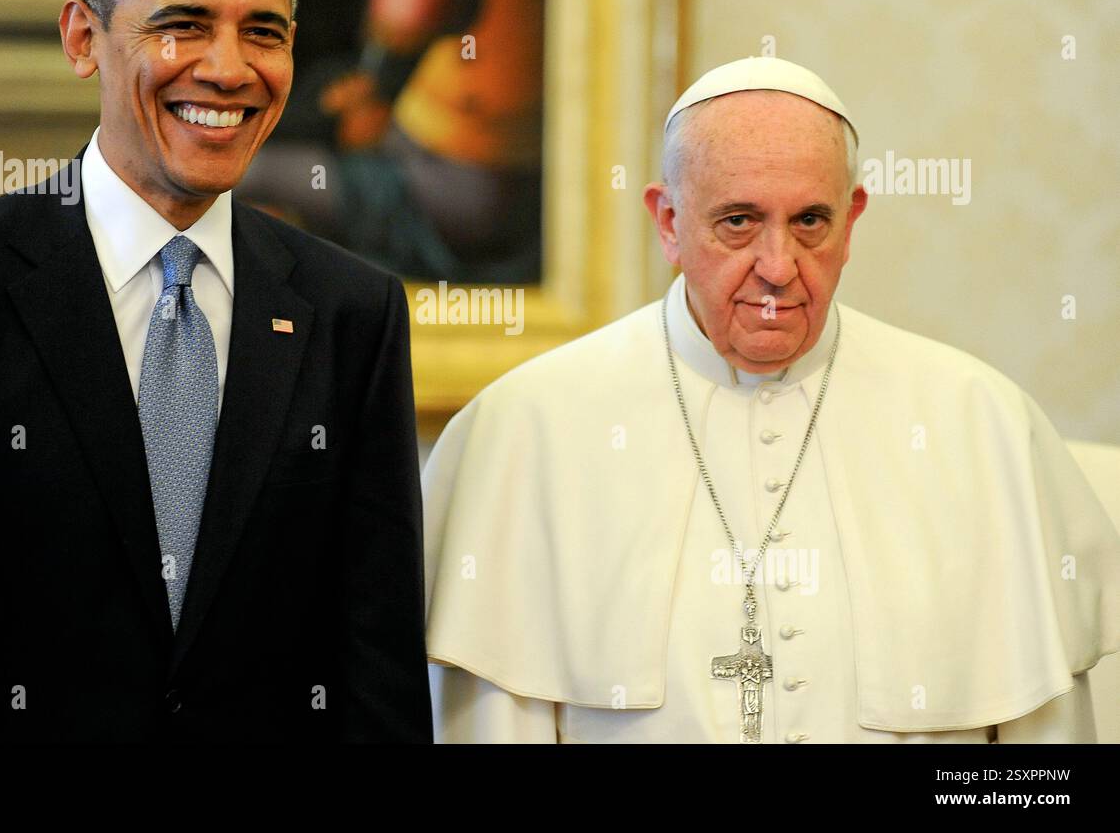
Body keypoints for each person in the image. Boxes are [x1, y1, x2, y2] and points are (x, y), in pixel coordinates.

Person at [0, 0, 431, 743]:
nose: (227, 68)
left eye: (264, 32)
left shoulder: (350, 313)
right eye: (181, 25)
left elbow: (377, 672)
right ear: (83, 38)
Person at [421, 56, 1120, 743]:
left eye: (811, 221)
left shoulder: (982, 425)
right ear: (668, 221)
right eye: (738, 222)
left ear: (852, 221)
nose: (779, 267)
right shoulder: (525, 432)